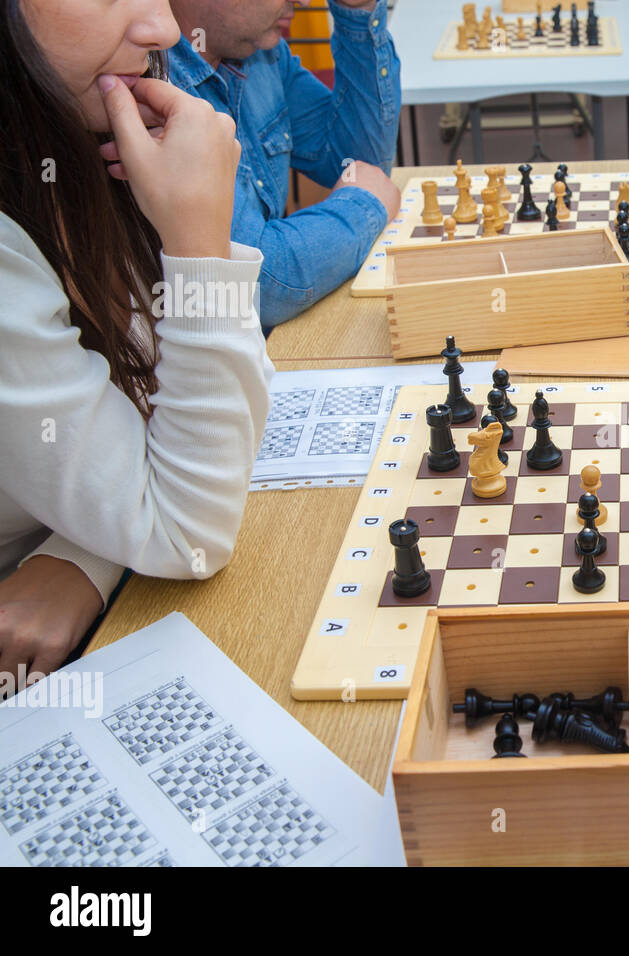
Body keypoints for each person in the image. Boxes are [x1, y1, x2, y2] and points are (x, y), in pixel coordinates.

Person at [0, 0, 273, 688]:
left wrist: (84, 559)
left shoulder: (69, 154)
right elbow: (191, 531)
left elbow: (214, 418)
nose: (166, 30)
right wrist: (198, 246)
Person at [166, 0, 401, 330]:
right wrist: (363, 206)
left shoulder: (260, 52)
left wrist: (358, 13)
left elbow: (360, 163)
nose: (303, 2)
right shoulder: (156, 91)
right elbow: (257, 286)